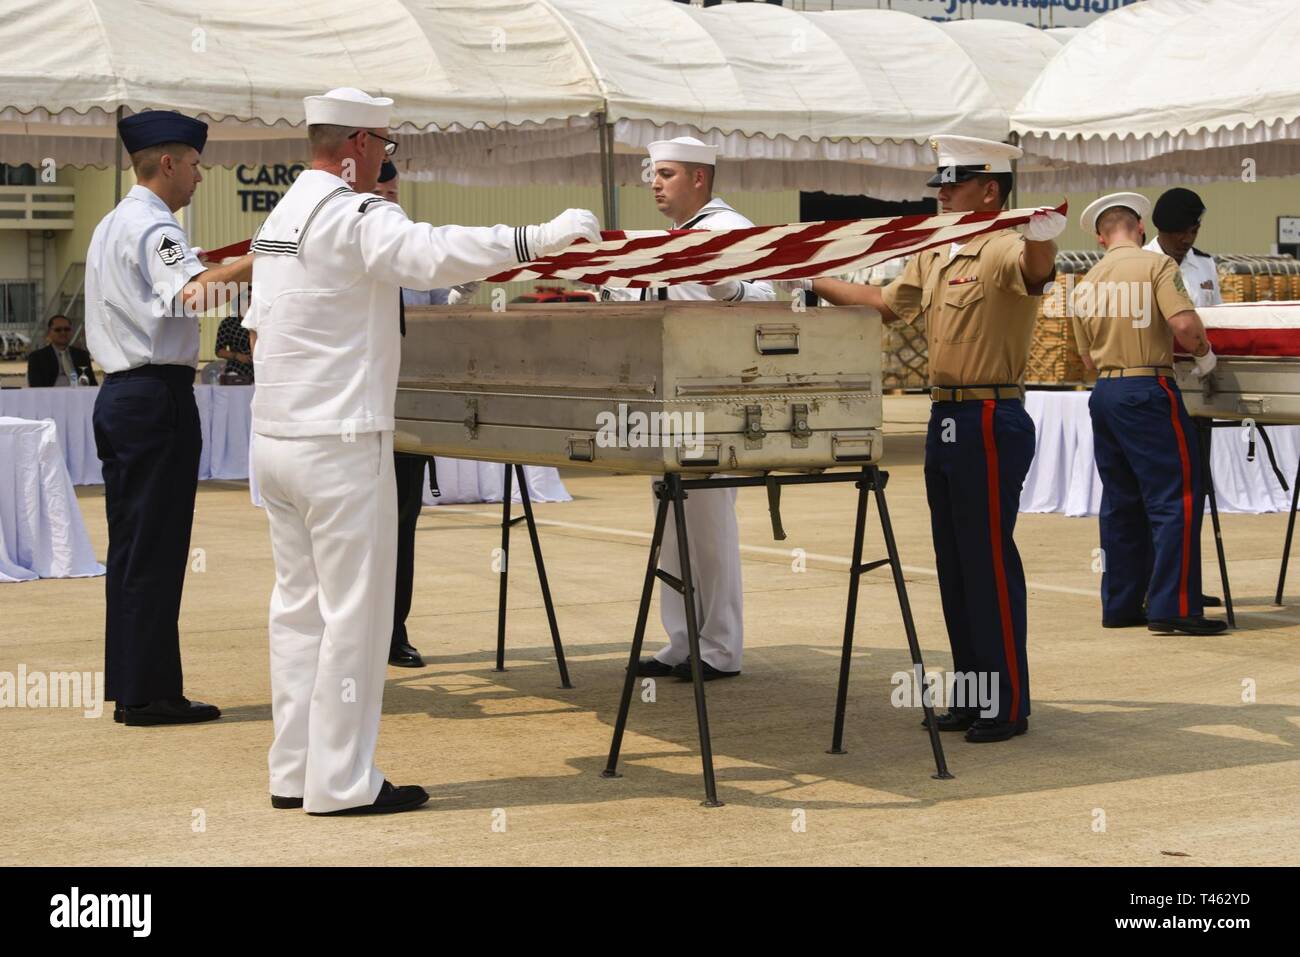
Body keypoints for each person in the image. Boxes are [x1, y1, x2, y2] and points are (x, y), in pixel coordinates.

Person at [243, 87, 600, 815]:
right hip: (337, 442)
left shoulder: (277, 218)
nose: (386, 160)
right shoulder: (353, 211)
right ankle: (341, 783)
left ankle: (295, 769)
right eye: (385, 146)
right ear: (361, 145)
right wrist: (538, 238)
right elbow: (432, 254)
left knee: (298, 612)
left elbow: (257, 330)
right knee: (354, 616)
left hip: (276, 436)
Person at [791, 135, 1065, 742]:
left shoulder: (1001, 247)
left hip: (990, 415)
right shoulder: (938, 251)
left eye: (954, 183)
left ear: (990, 190)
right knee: (955, 564)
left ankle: (1006, 704)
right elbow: (884, 305)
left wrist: (1044, 231)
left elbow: (1036, 268)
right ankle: (972, 692)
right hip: (945, 416)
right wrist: (815, 281)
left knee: (988, 560)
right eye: (939, 184)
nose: (941, 194)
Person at [85, 110, 253, 726]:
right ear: (168, 163)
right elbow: (196, 293)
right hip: (155, 396)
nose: (200, 177)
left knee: (133, 546)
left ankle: (134, 680)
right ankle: (149, 695)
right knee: (156, 545)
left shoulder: (112, 222)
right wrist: (266, 256)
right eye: (196, 164)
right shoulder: (158, 227)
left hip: (124, 396)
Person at [604, 136, 774, 682]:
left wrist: (728, 289)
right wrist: (610, 288)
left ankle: (720, 646)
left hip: (716, 391)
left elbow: (771, 295)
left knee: (707, 523)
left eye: (668, 173)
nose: (655, 182)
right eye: (654, 173)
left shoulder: (730, 231)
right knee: (671, 519)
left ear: (700, 179)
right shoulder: (671, 237)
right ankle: (682, 640)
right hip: (668, 388)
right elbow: (658, 299)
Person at [1072, 193, 1226, 637]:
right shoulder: (1157, 266)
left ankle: (1121, 603)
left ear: (1101, 237)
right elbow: (1183, 324)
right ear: (1140, 228)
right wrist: (1205, 355)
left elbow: (1084, 359)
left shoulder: (1085, 283)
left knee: (1120, 501)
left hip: (1105, 390)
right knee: (1175, 496)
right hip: (1148, 386)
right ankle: (1174, 607)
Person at [1144, 187, 1222, 308]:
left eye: (1194, 231)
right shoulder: (1140, 264)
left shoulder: (1205, 264)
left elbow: (1217, 313)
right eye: (1180, 232)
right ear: (1163, 230)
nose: (1188, 239)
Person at [26, 314, 96, 386]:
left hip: (81, 395)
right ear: (49, 333)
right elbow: (36, 386)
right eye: (58, 330)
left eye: (67, 329)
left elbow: (93, 384)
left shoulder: (82, 355)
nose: (63, 333)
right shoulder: (37, 357)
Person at [214, 312, 254, 383]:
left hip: (262, 370)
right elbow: (219, 351)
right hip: (237, 370)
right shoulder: (228, 323)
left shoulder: (263, 320)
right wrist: (237, 356)